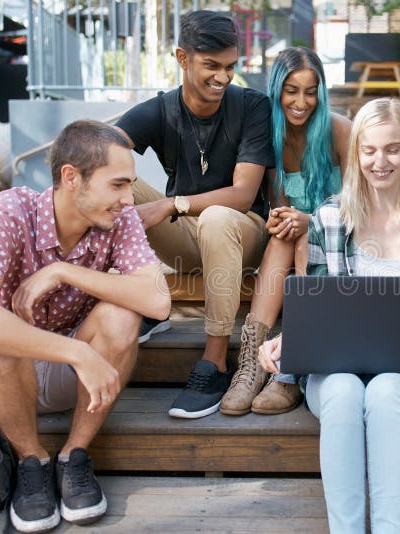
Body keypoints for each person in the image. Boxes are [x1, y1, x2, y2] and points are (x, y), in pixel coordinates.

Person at [0, 120, 171, 533]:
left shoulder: (119, 221)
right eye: (117, 185)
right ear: (71, 177)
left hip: (67, 376)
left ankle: (74, 456)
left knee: (122, 316)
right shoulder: (10, 210)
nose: (128, 199)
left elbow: (157, 300)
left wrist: (63, 271)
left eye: (130, 186)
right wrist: (78, 352)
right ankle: (31, 462)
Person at [258, 98, 400, 532]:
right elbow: (316, 302)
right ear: (356, 154)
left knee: (386, 392)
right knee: (345, 392)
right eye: (369, 150)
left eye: (391, 148)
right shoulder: (330, 217)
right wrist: (288, 340)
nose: (380, 161)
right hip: (335, 372)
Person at [115, 10, 274, 419]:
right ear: (182, 58)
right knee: (117, 186)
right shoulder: (161, 110)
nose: (222, 77)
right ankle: (139, 300)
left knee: (218, 217)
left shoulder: (252, 106)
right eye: (211, 66)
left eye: (230, 67)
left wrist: (172, 203)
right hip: (187, 242)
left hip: (245, 234)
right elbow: (102, 148)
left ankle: (215, 361)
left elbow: (242, 195)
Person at [219, 46, 351, 416]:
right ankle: (251, 365)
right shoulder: (272, 137)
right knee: (283, 234)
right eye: (291, 90)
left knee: (301, 232)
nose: (301, 101)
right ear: (277, 89)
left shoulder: (340, 131)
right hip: (293, 243)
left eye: (311, 91)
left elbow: (365, 205)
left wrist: (311, 221)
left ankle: (291, 366)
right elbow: (278, 204)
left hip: (344, 240)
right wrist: (283, 219)